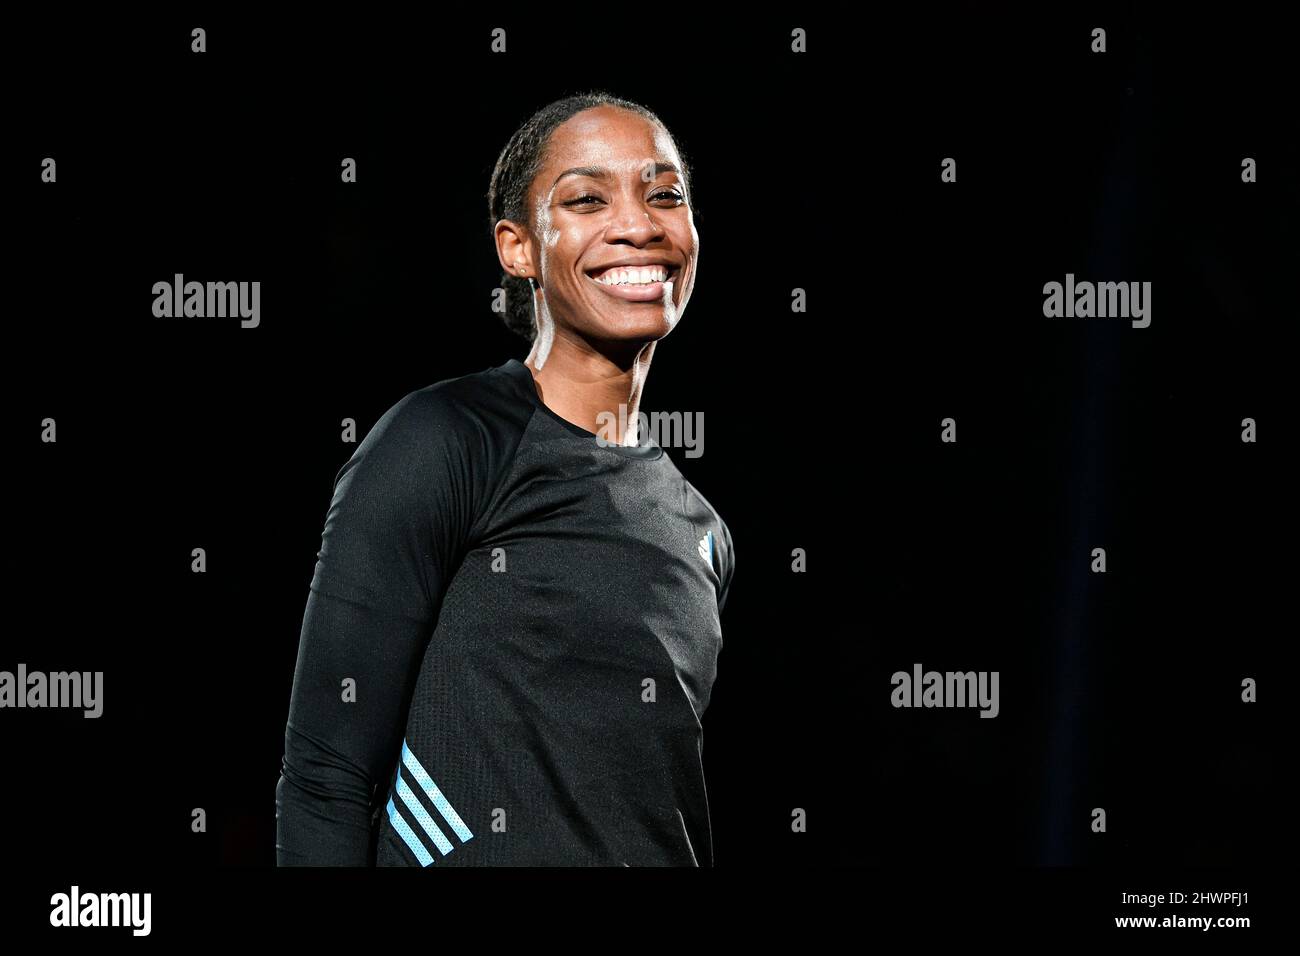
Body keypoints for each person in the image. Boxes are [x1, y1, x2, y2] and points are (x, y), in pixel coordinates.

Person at [275, 91, 734, 866]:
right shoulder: (448, 442)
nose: (638, 223)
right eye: (588, 199)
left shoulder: (703, 533)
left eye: (665, 194)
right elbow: (326, 774)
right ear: (517, 249)